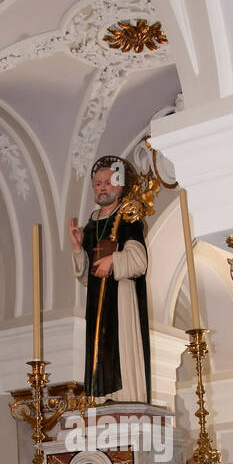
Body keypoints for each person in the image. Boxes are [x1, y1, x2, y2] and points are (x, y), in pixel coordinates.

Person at [68, 155, 151, 403]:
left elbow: (139, 261)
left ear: (120, 185)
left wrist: (113, 260)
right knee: (98, 347)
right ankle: (102, 399)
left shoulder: (128, 217)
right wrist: (77, 247)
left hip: (121, 297)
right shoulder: (92, 224)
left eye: (108, 182)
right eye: (97, 183)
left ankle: (125, 397)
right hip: (97, 303)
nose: (102, 187)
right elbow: (85, 276)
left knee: (120, 347)